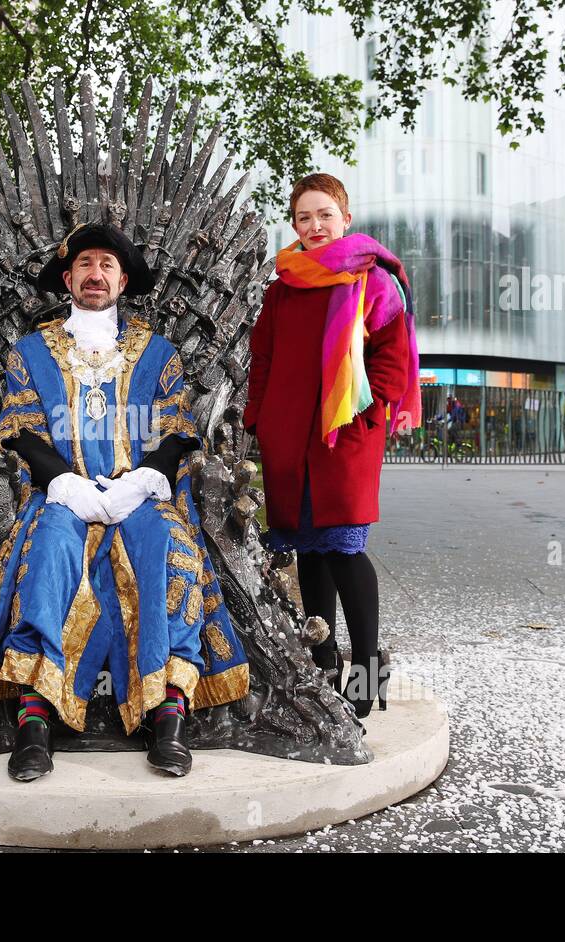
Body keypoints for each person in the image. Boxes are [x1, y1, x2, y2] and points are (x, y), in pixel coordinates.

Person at [0, 223, 250, 781]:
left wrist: (138, 483)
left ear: (123, 280)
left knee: (170, 547)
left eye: (106, 265)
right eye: (84, 265)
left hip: (139, 494)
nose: (95, 274)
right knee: (49, 548)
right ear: (67, 277)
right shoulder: (29, 352)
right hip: (60, 494)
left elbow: (175, 432)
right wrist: (68, 485)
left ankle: (167, 712)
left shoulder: (158, 353)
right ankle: (36, 717)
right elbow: (21, 430)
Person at [244, 173, 420, 720]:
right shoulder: (283, 285)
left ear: (345, 217)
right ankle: (321, 669)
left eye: (324, 215)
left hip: (346, 432)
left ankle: (368, 673)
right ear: (294, 225)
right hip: (288, 435)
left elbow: (394, 353)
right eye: (303, 218)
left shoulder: (374, 280)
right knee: (307, 550)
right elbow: (264, 357)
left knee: (344, 548)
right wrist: (259, 418)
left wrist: (367, 413)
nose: (314, 226)